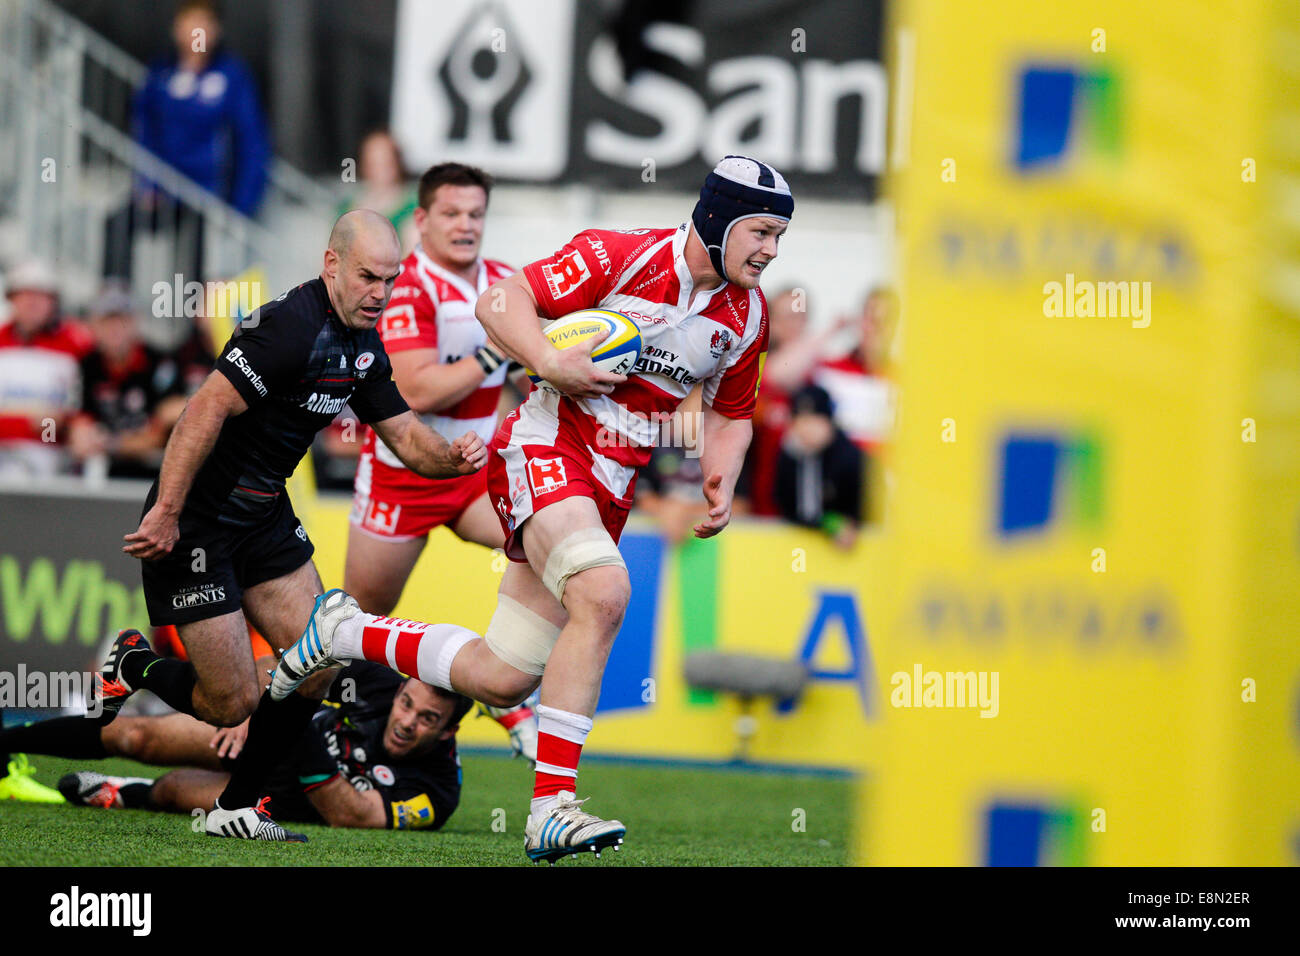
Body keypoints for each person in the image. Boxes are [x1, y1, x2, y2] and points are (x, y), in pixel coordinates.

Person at [270, 155, 793, 863]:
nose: (769, 251)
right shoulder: (619, 254)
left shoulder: (748, 314)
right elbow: (500, 304)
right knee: (605, 592)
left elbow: (733, 412)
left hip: (611, 482)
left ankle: (345, 631)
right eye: (760, 232)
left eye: (778, 238)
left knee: (502, 675)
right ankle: (552, 807)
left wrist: (722, 475)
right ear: (718, 218)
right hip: (546, 445)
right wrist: (548, 357)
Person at [92, 209, 487, 842]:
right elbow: (201, 412)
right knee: (233, 704)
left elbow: (407, 436)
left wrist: (455, 456)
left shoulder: (362, 344)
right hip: (198, 526)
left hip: (265, 519)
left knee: (321, 663)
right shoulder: (287, 328)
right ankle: (133, 667)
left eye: (390, 281)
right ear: (331, 265)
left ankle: (236, 808)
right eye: (368, 278)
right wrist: (165, 512)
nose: (380, 294)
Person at [345, 163, 536, 761]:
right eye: (451, 213)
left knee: (545, 548)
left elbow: (537, 365)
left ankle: (504, 686)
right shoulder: (406, 284)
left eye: (475, 214)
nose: (465, 225)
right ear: (422, 219)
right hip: (404, 475)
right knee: (353, 630)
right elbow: (418, 390)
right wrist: (494, 351)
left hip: (476, 473)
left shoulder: (507, 281)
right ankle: (328, 727)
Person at [16, 662, 472, 832]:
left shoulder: (436, 791)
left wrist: (293, 718)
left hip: (287, 800)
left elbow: (350, 814)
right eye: (406, 702)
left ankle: (124, 789)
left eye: (427, 718)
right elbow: (283, 663)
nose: (406, 720)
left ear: (448, 732)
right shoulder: (381, 683)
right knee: (135, 735)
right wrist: (257, 710)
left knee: (173, 794)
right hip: (265, 737)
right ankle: (10, 740)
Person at [104, 0, 271, 283]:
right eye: (190, 23)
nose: (197, 32)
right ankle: (116, 306)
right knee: (118, 222)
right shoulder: (161, 73)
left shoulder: (232, 76)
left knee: (197, 262)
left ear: (216, 30)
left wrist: (241, 204)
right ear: (177, 29)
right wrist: (147, 184)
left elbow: (252, 142)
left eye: (204, 24)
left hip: (209, 195)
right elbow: (144, 132)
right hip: (165, 189)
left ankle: (194, 323)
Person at [69, 286, 191, 480]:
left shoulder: (160, 362)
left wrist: (114, 444)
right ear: (94, 326)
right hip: (100, 472)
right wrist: (83, 436)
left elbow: (164, 426)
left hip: (153, 474)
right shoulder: (87, 365)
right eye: (107, 322)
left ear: (135, 323)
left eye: (122, 321)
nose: (115, 329)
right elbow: (80, 424)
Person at [0, 260, 93, 479]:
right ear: (12, 298)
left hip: (53, 460)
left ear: (53, 302)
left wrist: (62, 422)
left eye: (41, 296)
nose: (32, 303)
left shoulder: (77, 344)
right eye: (25, 295)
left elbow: (86, 406)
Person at [774, 384, 863, 549]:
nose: (808, 428)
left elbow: (861, 509)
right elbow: (788, 507)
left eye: (815, 420)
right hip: (798, 548)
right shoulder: (790, 455)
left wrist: (840, 523)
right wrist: (827, 523)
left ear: (829, 421)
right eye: (802, 421)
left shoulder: (850, 458)